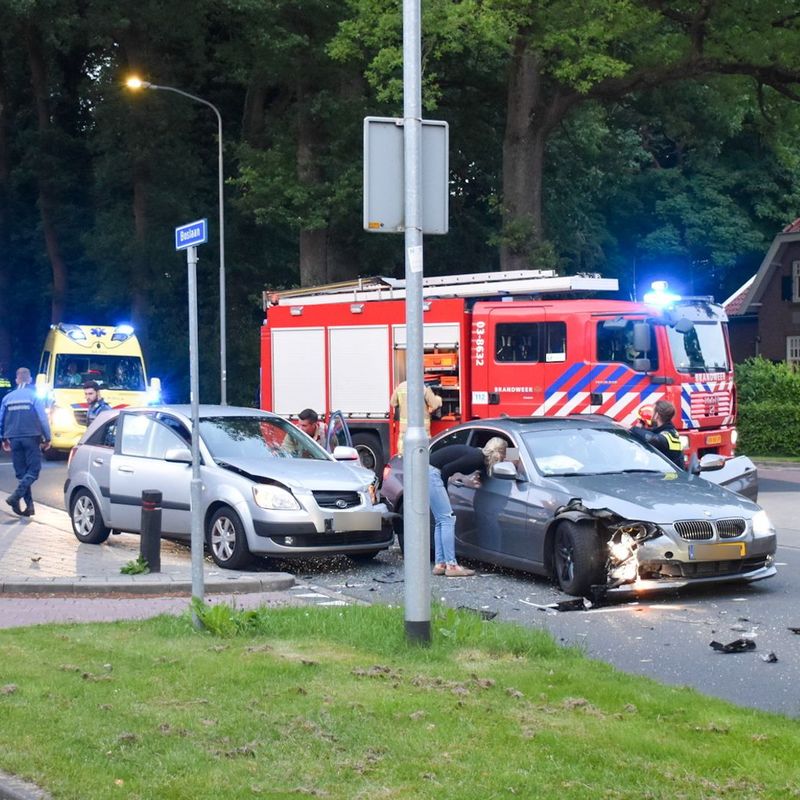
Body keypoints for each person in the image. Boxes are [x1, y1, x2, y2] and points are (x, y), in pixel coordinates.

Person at [428, 436, 508, 577]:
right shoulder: (476, 458)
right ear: (498, 454)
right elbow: (447, 470)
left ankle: (440, 564)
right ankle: (451, 566)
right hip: (432, 474)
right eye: (504, 454)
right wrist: (445, 493)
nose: (504, 458)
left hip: (427, 471)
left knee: (442, 520)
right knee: (447, 519)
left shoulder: (478, 457)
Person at [0, 367, 52, 516]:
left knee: (22, 473)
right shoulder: (34, 397)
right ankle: (15, 497)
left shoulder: (7, 398)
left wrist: (3, 438)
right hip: (31, 437)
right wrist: (47, 438)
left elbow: (1, 420)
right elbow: (43, 419)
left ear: (17, 380)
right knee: (34, 471)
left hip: (14, 438)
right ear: (30, 380)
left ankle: (29, 506)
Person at [390, 379, 443, 455]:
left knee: (403, 450)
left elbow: (393, 403)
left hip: (405, 426)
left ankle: (402, 464)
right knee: (423, 452)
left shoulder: (400, 387)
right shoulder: (424, 387)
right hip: (422, 427)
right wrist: (438, 399)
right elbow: (434, 404)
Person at [630, 399, 684, 469]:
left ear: (657, 415)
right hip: (663, 472)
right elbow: (651, 432)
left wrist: (633, 428)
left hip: (671, 476)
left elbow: (653, 439)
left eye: (653, 411)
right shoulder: (666, 430)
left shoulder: (670, 435)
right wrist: (641, 428)